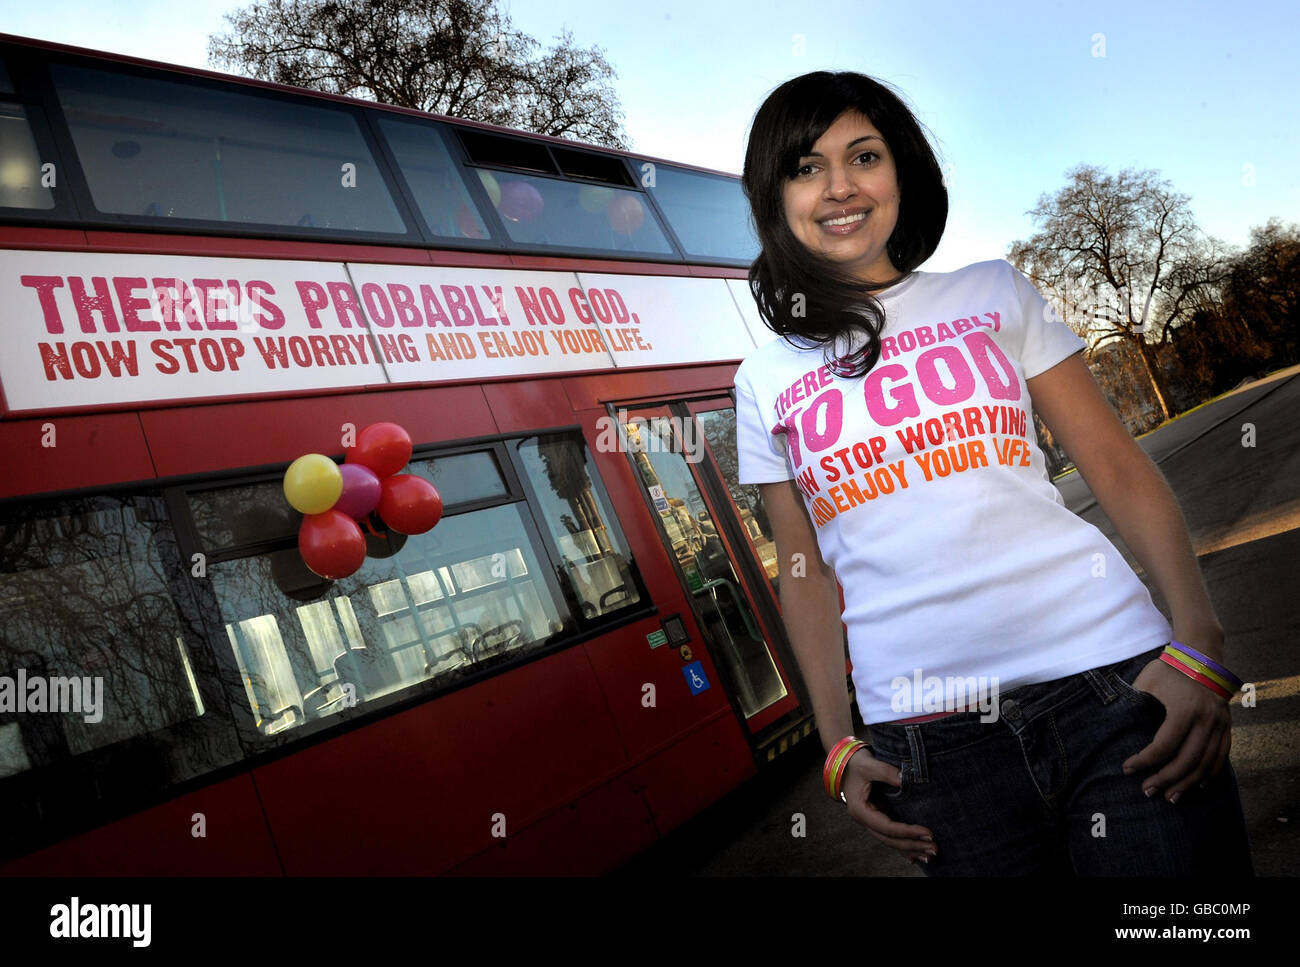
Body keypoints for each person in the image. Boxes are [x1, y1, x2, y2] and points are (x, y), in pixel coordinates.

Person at [732, 71, 1253, 876]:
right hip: (934, 755)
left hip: (1114, 694)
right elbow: (800, 569)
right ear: (776, 195)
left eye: (862, 155)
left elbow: (1114, 463)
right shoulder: (763, 378)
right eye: (805, 166)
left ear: (900, 170)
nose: (839, 186)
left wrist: (1200, 644)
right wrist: (837, 743)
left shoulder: (994, 290)